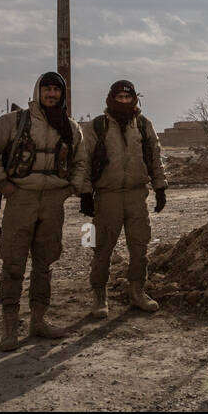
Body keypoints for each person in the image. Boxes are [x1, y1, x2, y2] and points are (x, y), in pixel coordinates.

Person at [0, 71, 84, 351]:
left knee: (44, 262)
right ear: (38, 91)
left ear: (62, 94)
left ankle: (39, 320)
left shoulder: (71, 128)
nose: (51, 94)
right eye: (47, 89)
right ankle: (10, 329)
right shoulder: (12, 122)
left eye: (56, 90)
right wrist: (3, 184)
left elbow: (82, 163)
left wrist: (70, 189)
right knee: (13, 262)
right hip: (20, 199)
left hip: (52, 202)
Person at [76, 79, 167, 317]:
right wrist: (85, 193)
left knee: (139, 247)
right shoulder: (97, 127)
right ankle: (99, 297)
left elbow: (155, 157)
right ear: (111, 99)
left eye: (128, 98)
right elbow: (83, 161)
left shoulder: (144, 125)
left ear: (134, 99)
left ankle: (137, 292)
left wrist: (160, 188)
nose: (124, 102)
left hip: (137, 195)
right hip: (107, 197)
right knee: (102, 248)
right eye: (120, 98)